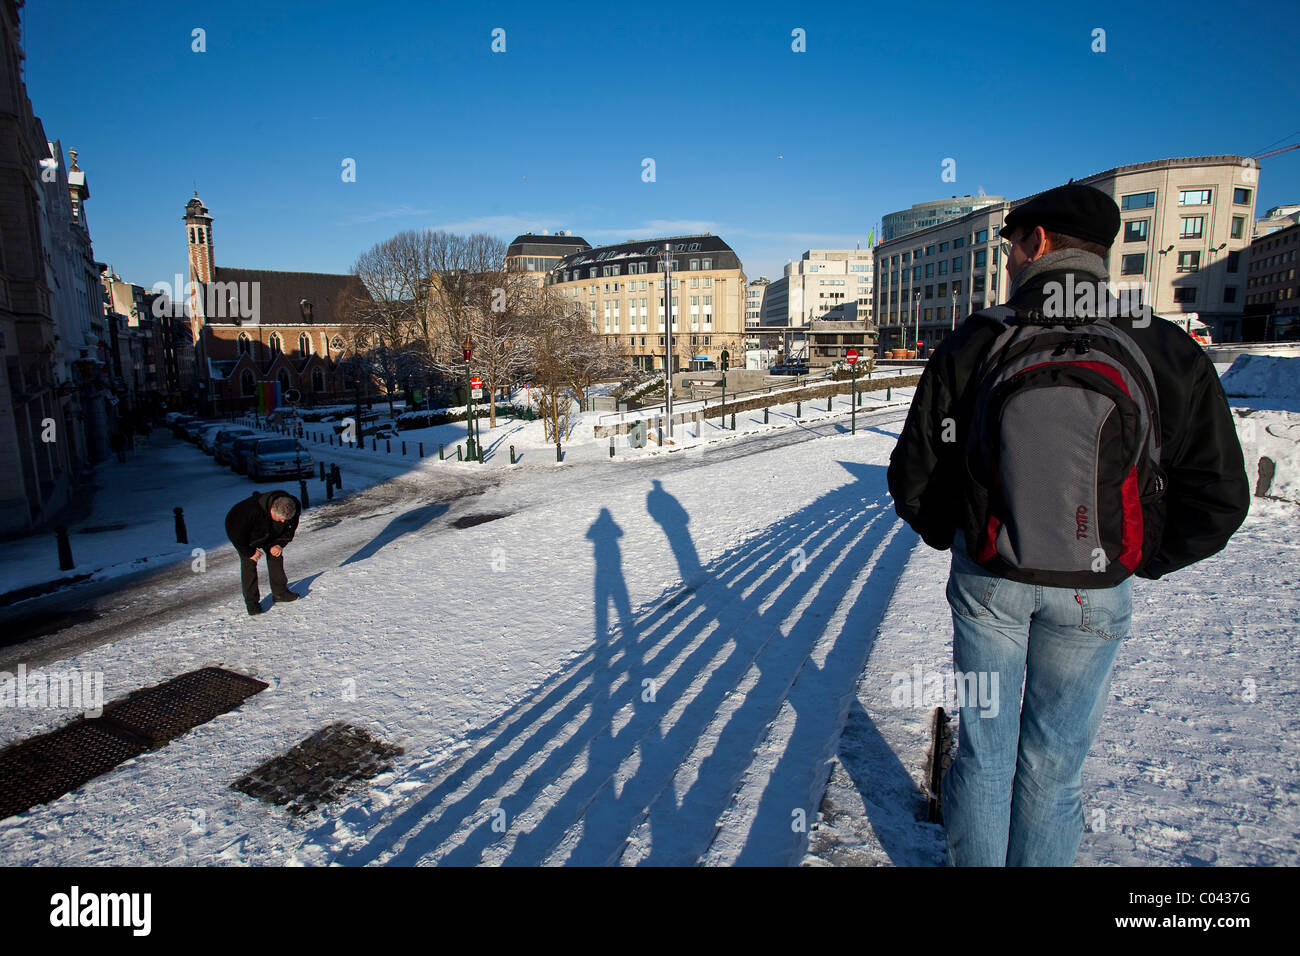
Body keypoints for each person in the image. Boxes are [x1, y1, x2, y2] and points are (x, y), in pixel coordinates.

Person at [887, 182, 1249, 866]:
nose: (1010, 261)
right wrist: (1133, 554)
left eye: (1012, 246)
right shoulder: (1166, 347)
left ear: (1039, 242)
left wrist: (962, 535)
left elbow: (913, 474)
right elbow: (1221, 494)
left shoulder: (978, 338)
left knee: (985, 756)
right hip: (1095, 587)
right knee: (1055, 767)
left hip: (991, 581)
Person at [224, 490, 302, 616]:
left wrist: (280, 543)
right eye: (280, 519)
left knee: (275, 554)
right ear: (272, 510)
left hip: (271, 534)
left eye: (285, 519)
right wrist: (249, 552)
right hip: (247, 536)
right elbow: (235, 534)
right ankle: (252, 603)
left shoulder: (293, 505)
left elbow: (291, 527)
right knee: (249, 563)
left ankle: (280, 593)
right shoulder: (248, 512)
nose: (283, 521)